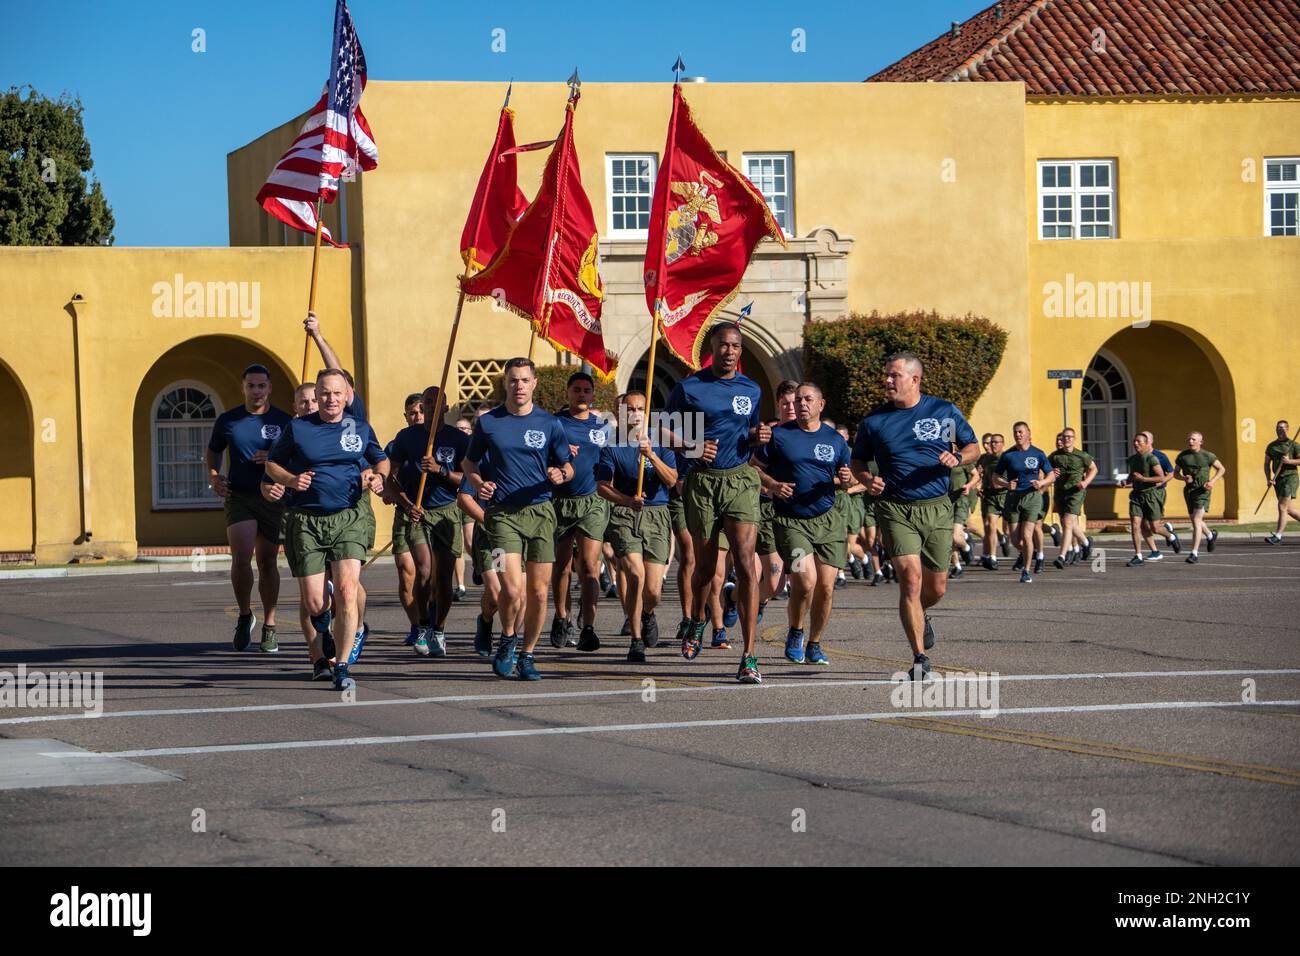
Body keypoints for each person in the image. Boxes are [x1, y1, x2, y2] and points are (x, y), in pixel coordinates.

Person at [851, 353, 978, 680]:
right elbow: (858, 462)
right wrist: (867, 480)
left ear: (915, 380)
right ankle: (919, 658)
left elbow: (973, 448)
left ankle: (922, 614)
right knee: (910, 579)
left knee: (936, 589)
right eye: (887, 376)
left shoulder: (942, 411)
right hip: (895, 508)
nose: (888, 381)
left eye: (895, 376)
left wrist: (958, 458)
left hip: (937, 507)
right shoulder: (874, 422)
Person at [264, 369, 388, 692]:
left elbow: (381, 459)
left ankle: (342, 665)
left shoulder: (359, 428)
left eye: (336, 393)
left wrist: (379, 477)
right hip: (307, 521)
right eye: (324, 394)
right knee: (316, 602)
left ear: (346, 395)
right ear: (316, 396)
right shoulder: (299, 428)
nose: (331, 399)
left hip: (348, 518)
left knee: (348, 590)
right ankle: (323, 627)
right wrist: (291, 481)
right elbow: (271, 465)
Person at [665, 323, 770, 684]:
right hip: (702, 483)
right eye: (723, 345)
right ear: (712, 348)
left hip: (739, 479)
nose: (729, 351)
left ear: (741, 351)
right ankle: (696, 620)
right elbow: (661, 429)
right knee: (707, 569)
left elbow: (750, 434)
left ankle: (749, 656)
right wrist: (692, 446)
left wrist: (760, 436)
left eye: (735, 346)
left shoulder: (751, 389)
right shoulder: (690, 387)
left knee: (745, 563)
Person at [461, 358, 573, 681]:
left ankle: (528, 654)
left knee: (538, 593)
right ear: (505, 384)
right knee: (510, 589)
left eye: (525, 380)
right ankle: (508, 635)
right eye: (513, 380)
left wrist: (560, 473)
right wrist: (480, 483)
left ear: (534, 383)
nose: (519, 386)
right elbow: (469, 463)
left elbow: (569, 466)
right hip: (501, 516)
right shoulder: (489, 423)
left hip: (540, 513)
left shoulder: (550, 423)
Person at [754, 383, 852, 666]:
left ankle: (815, 643)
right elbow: (753, 465)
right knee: (805, 581)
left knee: (826, 588)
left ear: (821, 404)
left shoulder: (835, 440)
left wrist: (847, 480)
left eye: (808, 399)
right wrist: (773, 484)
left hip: (828, 521)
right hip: (791, 521)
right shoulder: (779, 436)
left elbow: (849, 479)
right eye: (798, 400)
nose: (801, 404)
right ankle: (796, 631)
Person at [206, 364, 293, 653]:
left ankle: (270, 625)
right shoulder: (229, 420)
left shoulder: (284, 420)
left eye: (261, 386)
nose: (256, 391)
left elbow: (298, 455)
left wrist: (273, 458)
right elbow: (214, 449)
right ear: (243, 388)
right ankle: (245, 615)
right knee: (241, 556)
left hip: (272, 496)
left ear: (269, 388)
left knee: (268, 562)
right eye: (251, 386)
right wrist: (215, 476)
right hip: (240, 495)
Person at [386, 386, 471, 657]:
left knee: (443, 578)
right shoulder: (406, 437)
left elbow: (469, 479)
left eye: (438, 402)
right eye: (427, 403)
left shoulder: (458, 439)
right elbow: (391, 477)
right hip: (417, 511)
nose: (432, 407)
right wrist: (407, 504)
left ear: (446, 408)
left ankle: (439, 629)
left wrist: (441, 470)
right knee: (423, 571)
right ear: (422, 408)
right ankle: (422, 624)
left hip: (446, 511)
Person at [596, 392, 678, 662]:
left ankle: (647, 613)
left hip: (656, 514)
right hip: (625, 514)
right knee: (635, 575)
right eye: (628, 409)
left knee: (653, 590)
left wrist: (652, 456)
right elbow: (603, 487)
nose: (634, 413)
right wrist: (627, 500)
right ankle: (635, 638)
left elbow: (672, 480)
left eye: (639, 409)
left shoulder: (659, 440)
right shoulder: (611, 445)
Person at [549, 372, 612, 653]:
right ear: (568, 393)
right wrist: (557, 454)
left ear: (593, 395)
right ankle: (562, 617)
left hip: (592, 501)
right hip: (560, 502)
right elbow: (537, 455)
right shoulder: (555, 423)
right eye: (577, 390)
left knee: (588, 566)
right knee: (562, 566)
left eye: (587, 390)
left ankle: (588, 626)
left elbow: (621, 452)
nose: (582, 394)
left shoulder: (604, 425)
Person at [384, 394, 425, 647]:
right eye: (412, 412)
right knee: (406, 572)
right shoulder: (396, 443)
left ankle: (431, 623)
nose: (417, 416)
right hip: (405, 513)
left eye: (421, 411)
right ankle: (416, 625)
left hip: (433, 514)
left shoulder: (436, 441)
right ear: (405, 416)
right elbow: (388, 477)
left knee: (428, 574)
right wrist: (391, 494)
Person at [992, 422, 1056, 583]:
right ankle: (1029, 551)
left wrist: (1042, 484)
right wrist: (1007, 484)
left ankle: (1026, 571)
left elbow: (1051, 475)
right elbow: (995, 477)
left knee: (1027, 535)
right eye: (1015, 432)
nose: (1018, 435)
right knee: (1015, 540)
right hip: (1013, 498)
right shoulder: (1008, 455)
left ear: (1028, 433)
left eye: (1021, 432)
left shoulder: (1038, 453)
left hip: (1032, 497)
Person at [1048, 427, 1097, 569]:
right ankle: (1086, 543)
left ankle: (1062, 556)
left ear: (1074, 439)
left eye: (1070, 437)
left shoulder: (1082, 456)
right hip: (1060, 492)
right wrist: (1051, 472)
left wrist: (1086, 482)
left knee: (1068, 523)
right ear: (1061, 439)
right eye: (1064, 437)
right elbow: (1043, 469)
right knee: (1068, 524)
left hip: (1076, 492)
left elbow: (1094, 469)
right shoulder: (1055, 456)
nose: (1067, 439)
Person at [1174, 431, 1226, 563]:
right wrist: (1183, 478)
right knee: (1195, 520)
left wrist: (1212, 481)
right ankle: (1210, 535)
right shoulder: (1183, 456)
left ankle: (1194, 553)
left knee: (1197, 520)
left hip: (1203, 491)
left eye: (1193, 439)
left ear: (1200, 442)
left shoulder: (1208, 456)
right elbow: (1175, 473)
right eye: (1189, 439)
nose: (1190, 441)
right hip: (1189, 491)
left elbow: (1221, 469)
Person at [1119, 432, 1166, 566]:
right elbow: (1132, 475)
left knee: (1155, 527)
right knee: (1135, 524)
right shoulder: (1132, 459)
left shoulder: (1152, 459)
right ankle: (1138, 555)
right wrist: (1126, 482)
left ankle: (1171, 536)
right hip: (1136, 495)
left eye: (1139, 441)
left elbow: (1161, 478)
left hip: (1150, 495)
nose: (1136, 444)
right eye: (1134, 441)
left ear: (1146, 443)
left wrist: (1144, 479)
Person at [1141, 432, 1182, 554]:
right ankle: (1155, 551)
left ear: (1151, 441)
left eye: (1145, 439)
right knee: (1143, 525)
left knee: (1154, 527)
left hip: (1157, 493)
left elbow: (1171, 473)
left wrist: (1160, 482)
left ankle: (1170, 535)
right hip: (1141, 493)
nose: (1141, 442)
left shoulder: (1160, 456)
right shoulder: (1138, 457)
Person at [1264, 420, 1300, 544]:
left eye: (1283, 427)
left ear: (1287, 429)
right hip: (1278, 479)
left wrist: (1289, 461)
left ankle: (1278, 536)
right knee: (1289, 510)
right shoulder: (1271, 446)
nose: (1280, 429)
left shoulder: (1293, 445)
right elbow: (1266, 464)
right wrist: (1268, 478)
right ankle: (1278, 535)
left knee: (1282, 506)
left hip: (1290, 478)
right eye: (1278, 427)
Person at [978, 433, 1008, 569]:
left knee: (1012, 531)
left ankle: (1020, 551)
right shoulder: (985, 459)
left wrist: (1005, 484)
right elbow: (978, 473)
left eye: (996, 442)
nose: (993, 445)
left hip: (1007, 495)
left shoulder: (1008, 458)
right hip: (990, 497)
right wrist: (979, 485)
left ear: (1003, 443)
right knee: (990, 525)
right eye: (992, 443)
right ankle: (992, 556)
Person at [947, 455, 980, 578]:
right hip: (945, 502)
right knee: (948, 537)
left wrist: (969, 486)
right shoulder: (938, 458)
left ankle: (966, 546)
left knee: (955, 537)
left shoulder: (962, 459)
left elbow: (976, 475)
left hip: (960, 500)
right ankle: (957, 567)